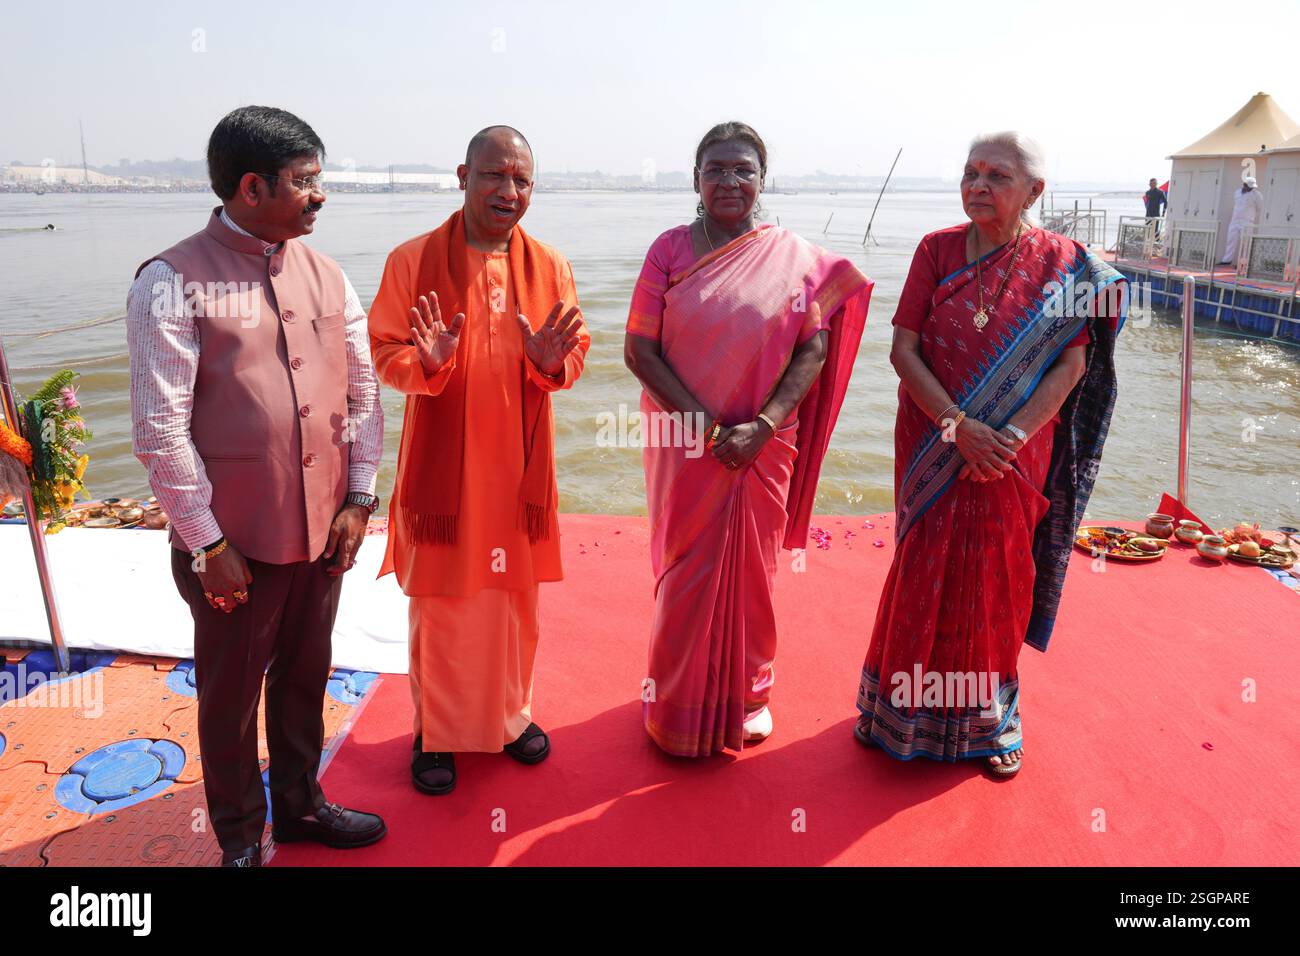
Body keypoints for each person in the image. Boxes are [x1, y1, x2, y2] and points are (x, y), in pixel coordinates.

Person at [127, 106, 387, 867]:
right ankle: (240, 838)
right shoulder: (171, 281)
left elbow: (363, 394)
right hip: (235, 543)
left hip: (324, 527)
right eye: (305, 183)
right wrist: (206, 543)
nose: (320, 197)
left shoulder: (326, 271)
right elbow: (159, 428)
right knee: (232, 696)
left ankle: (303, 806)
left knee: (308, 671)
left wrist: (360, 498)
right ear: (251, 187)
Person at [853, 131, 1126, 778]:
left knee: (1000, 578)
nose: (978, 185)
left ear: (1034, 191)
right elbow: (903, 351)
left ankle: (992, 720)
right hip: (932, 442)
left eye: (997, 176)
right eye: (970, 172)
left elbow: (1073, 363)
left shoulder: (1066, 265)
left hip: (1014, 455)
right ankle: (897, 714)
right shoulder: (936, 250)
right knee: (923, 568)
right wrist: (956, 426)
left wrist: (1012, 436)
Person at [624, 122, 872, 757]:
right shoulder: (669, 250)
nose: (729, 181)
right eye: (716, 169)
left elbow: (812, 350)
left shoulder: (791, 255)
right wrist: (706, 428)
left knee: (754, 574)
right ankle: (676, 704)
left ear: (763, 179)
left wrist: (760, 427)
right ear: (696, 179)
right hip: (687, 443)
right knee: (683, 569)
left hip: (764, 446)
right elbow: (639, 350)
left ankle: (748, 695)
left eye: (742, 169)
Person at [368, 126, 588, 794]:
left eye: (522, 180)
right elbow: (383, 354)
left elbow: (571, 353)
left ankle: (511, 718)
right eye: (495, 175)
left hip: (517, 471)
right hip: (446, 476)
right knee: (442, 604)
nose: (509, 191)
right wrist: (424, 362)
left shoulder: (549, 264)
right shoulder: (412, 261)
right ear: (462, 175)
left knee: (512, 602)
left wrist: (554, 365)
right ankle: (436, 733)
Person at [1219, 176, 1266, 266]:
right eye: (1249, 186)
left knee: (1246, 243)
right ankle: (1227, 260)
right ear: (1244, 185)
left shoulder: (1257, 195)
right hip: (1235, 220)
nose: (1251, 188)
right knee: (1231, 240)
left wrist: (1250, 215)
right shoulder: (1237, 192)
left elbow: (1260, 208)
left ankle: (1244, 263)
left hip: (1247, 221)